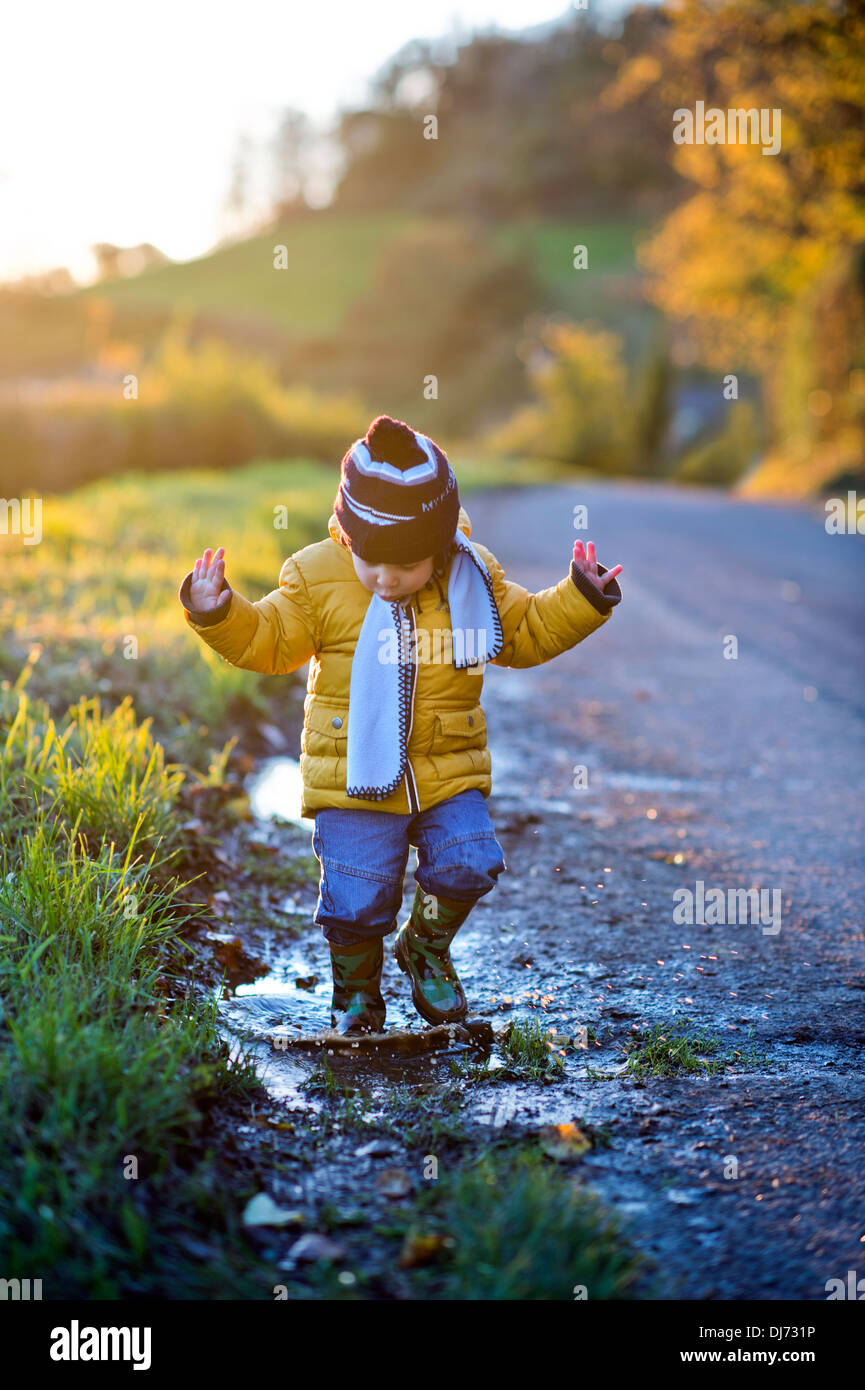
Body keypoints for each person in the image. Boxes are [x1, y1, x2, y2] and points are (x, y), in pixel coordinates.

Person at [179, 415, 623, 1035]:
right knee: (358, 898)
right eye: (371, 561)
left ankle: (425, 946)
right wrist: (219, 611)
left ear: (439, 545)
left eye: (404, 564)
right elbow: (269, 639)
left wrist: (580, 597)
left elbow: (521, 632)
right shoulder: (318, 577)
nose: (385, 578)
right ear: (349, 536)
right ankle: (356, 990)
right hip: (353, 776)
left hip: (447, 769)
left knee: (471, 860)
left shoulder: (469, 573)